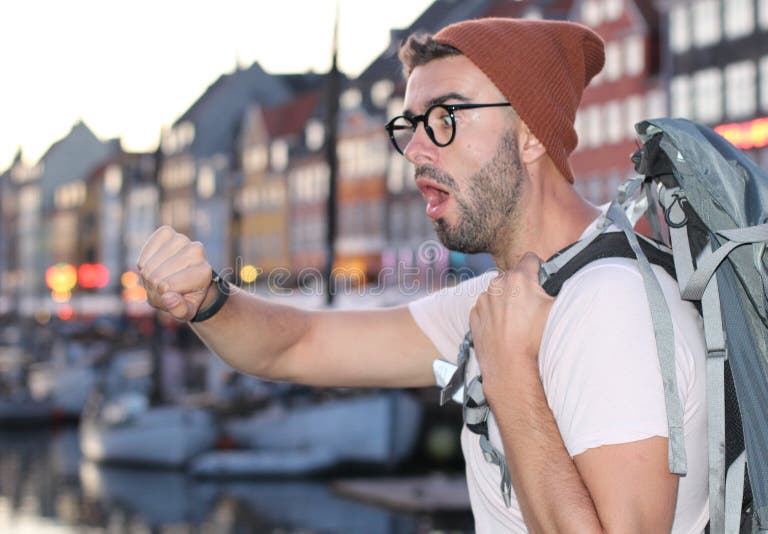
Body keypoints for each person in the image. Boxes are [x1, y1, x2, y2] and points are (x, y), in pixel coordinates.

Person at [138, 17, 708, 533]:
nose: (413, 150)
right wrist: (209, 299)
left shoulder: (608, 302)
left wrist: (509, 374)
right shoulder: (505, 300)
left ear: (531, 132)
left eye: (444, 118)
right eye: (410, 125)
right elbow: (296, 345)